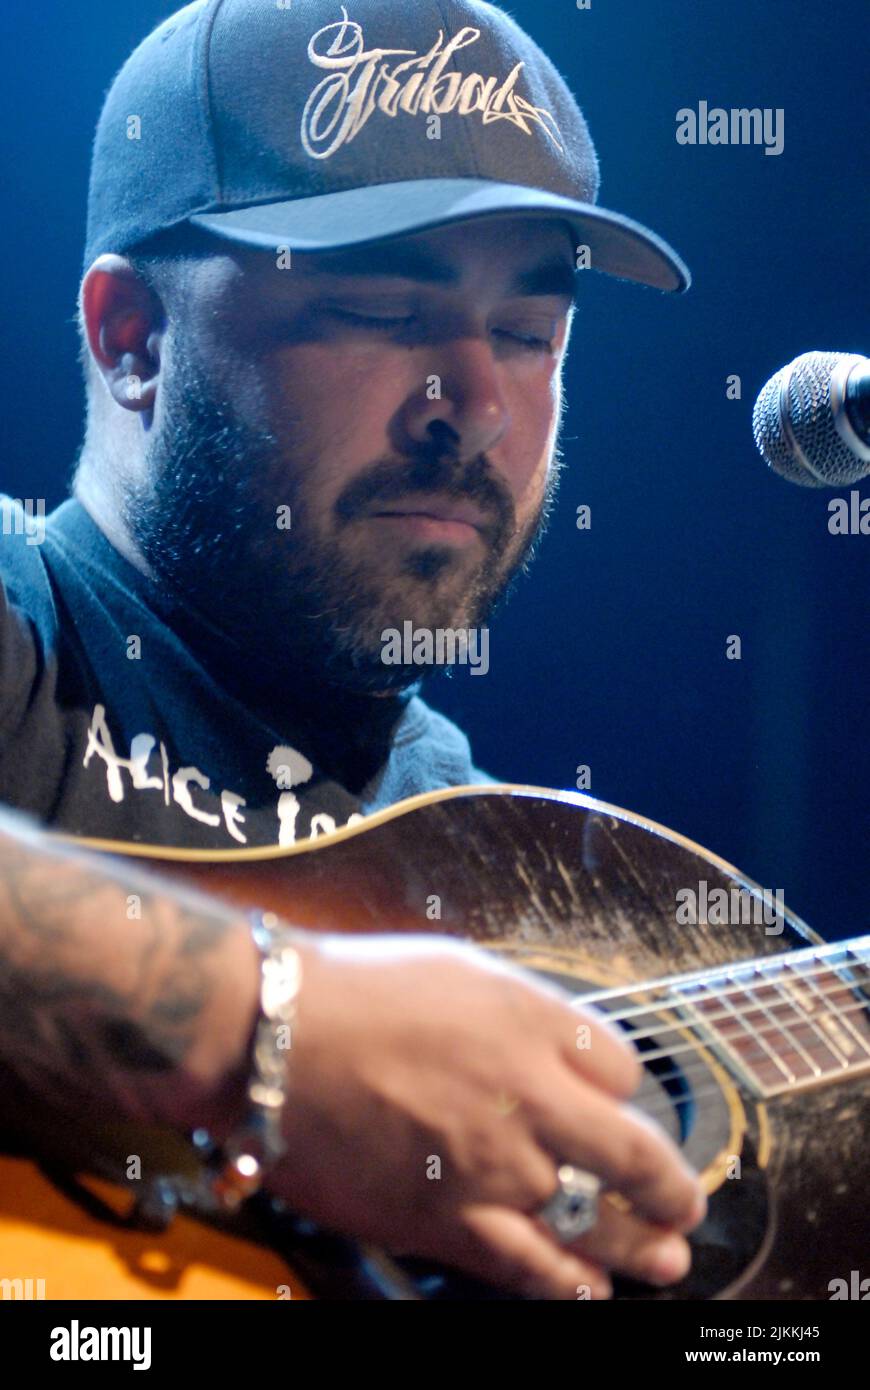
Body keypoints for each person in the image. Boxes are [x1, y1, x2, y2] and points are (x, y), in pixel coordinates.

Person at [0, 0, 705, 1298]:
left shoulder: (489, 853)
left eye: (526, 332)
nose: (478, 403)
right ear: (132, 339)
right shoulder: (19, 624)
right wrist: (271, 1032)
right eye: (384, 307)